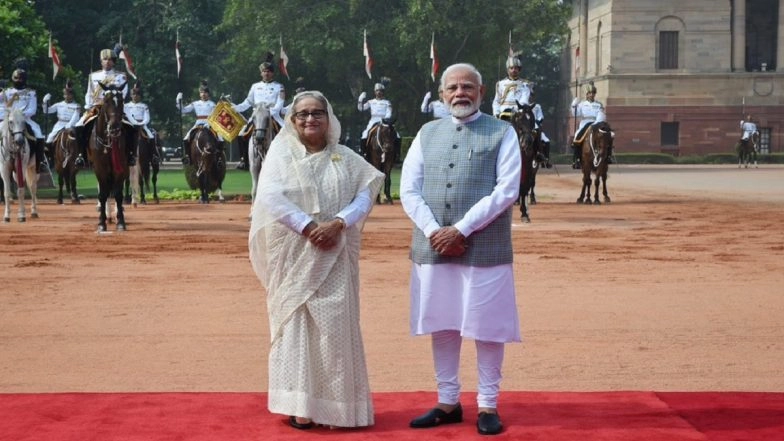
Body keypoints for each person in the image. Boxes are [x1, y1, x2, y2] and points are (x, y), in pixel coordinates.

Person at [248, 90, 384, 430]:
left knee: (334, 330)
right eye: (303, 114)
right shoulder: (281, 156)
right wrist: (309, 228)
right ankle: (300, 408)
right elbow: (270, 198)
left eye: (317, 113)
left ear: (329, 117)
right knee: (295, 326)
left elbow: (367, 192)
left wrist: (338, 223)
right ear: (292, 121)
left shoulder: (347, 157)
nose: (310, 119)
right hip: (294, 254)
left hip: (335, 253)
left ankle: (339, 410)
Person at [401, 63, 522, 436]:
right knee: (444, 324)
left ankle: (487, 404)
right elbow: (409, 189)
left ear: (481, 93)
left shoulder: (503, 132)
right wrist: (437, 231)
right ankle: (447, 402)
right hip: (433, 246)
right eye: (452, 87)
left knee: (487, 328)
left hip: (485, 247)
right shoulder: (426, 133)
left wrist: (461, 229)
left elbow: (507, 190)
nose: (460, 93)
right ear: (442, 95)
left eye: (468, 86)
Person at [74, 46, 132, 167]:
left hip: (115, 108)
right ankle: (81, 155)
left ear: (114, 62)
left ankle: (131, 154)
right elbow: (89, 92)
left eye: (110, 59)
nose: (107, 61)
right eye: (105, 59)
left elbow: (124, 92)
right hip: (97, 107)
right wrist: (88, 105)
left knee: (132, 126)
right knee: (78, 126)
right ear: (101, 61)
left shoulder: (121, 76)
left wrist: (114, 102)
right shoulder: (93, 76)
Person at [232, 57, 285, 170]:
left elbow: (280, 103)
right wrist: (236, 108)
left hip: (272, 114)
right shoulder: (255, 86)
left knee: (286, 133)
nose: (266, 73)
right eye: (264, 71)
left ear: (272, 73)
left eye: (268, 71)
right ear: (261, 73)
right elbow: (248, 102)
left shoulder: (279, 87)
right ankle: (244, 160)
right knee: (242, 134)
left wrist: (270, 112)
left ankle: (286, 159)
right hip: (257, 116)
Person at [1, 67, 48, 172]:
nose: (18, 80)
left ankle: (40, 162)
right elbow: (2, 104)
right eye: (16, 78)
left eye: (20, 78)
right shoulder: (6, 92)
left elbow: (32, 109)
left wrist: (20, 115)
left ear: (25, 79)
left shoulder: (31, 92)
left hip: (25, 119)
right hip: (10, 119)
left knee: (39, 133)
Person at [177, 81, 222, 165]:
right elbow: (183, 110)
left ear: (208, 94)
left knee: (220, 138)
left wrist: (209, 123)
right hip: (198, 124)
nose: (203, 94)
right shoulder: (195, 104)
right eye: (201, 92)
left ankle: (219, 158)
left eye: (205, 92)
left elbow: (215, 117)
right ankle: (188, 157)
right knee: (186, 138)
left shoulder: (212, 104)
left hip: (209, 124)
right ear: (199, 94)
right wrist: (179, 101)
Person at [570, 83, 614, 168]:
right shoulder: (582, 104)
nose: (591, 95)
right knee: (577, 137)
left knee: (609, 134)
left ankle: (608, 156)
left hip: (596, 122)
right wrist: (573, 106)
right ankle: (577, 160)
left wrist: (596, 123)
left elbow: (601, 114)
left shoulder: (599, 104)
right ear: (586, 94)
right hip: (585, 123)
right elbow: (575, 114)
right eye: (590, 93)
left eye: (593, 93)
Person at [358, 82, 401, 162]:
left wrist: (386, 120)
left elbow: (389, 112)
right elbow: (361, 108)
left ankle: (397, 154)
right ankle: (363, 152)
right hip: (373, 120)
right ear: (375, 92)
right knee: (365, 134)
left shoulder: (387, 102)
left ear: (383, 92)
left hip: (384, 120)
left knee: (397, 135)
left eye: (381, 91)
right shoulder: (371, 102)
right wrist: (360, 100)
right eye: (377, 90)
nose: (379, 92)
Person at [42, 80, 82, 159]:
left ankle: (79, 156)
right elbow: (47, 111)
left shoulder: (76, 106)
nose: (67, 96)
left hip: (71, 125)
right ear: (63, 95)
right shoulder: (59, 105)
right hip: (59, 124)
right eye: (65, 95)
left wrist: (68, 126)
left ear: (72, 95)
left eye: (69, 95)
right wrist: (45, 102)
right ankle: (48, 156)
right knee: (50, 137)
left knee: (77, 139)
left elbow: (75, 117)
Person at [124, 82, 160, 164]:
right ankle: (129, 155)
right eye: (134, 94)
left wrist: (142, 123)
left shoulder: (144, 106)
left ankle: (154, 155)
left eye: (137, 94)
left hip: (142, 125)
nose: (135, 96)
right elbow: (128, 116)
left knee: (151, 136)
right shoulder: (126, 106)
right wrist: (134, 123)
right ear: (131, 95)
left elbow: (147, 117)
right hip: (130, 125)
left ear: (140, 96)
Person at [492, 55, 533, 120]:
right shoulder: (500, 84)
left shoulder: (525, 84)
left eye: (516, 68)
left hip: (518, 111)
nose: (514, 70)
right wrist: (496, 113)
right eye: (511, 68)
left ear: (519, 70)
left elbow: (524, 99)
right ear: (508, 70)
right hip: (502, 111)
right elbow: (497, 101)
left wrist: (519, 110)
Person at [530, 93, 552, 168]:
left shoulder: (537, 106)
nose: (530, 98)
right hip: (526, 126)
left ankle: (546, 159)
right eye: (529, 96)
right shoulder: (523, 105)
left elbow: (540, 116)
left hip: (535, 125)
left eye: (531, 96)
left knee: (547, 141)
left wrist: (538, 122)